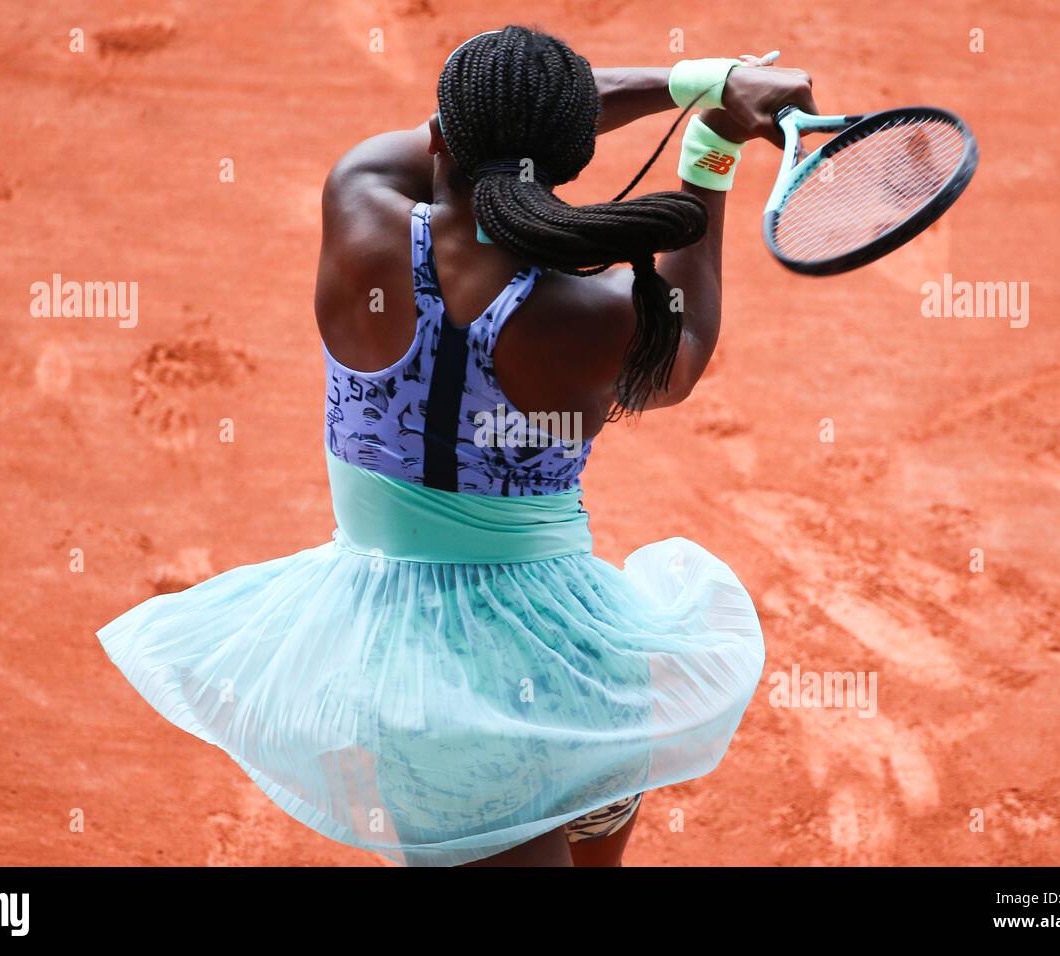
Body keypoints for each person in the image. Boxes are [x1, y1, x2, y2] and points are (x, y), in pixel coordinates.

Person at [98, 25, 818, 867]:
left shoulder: (358, 203)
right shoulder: (593, 314)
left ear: (440, 137)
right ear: (574, 162)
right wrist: (710, 141)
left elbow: (471, 137)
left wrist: (698, 81)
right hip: (576, 672)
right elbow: (683, 352)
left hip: (401, 689)